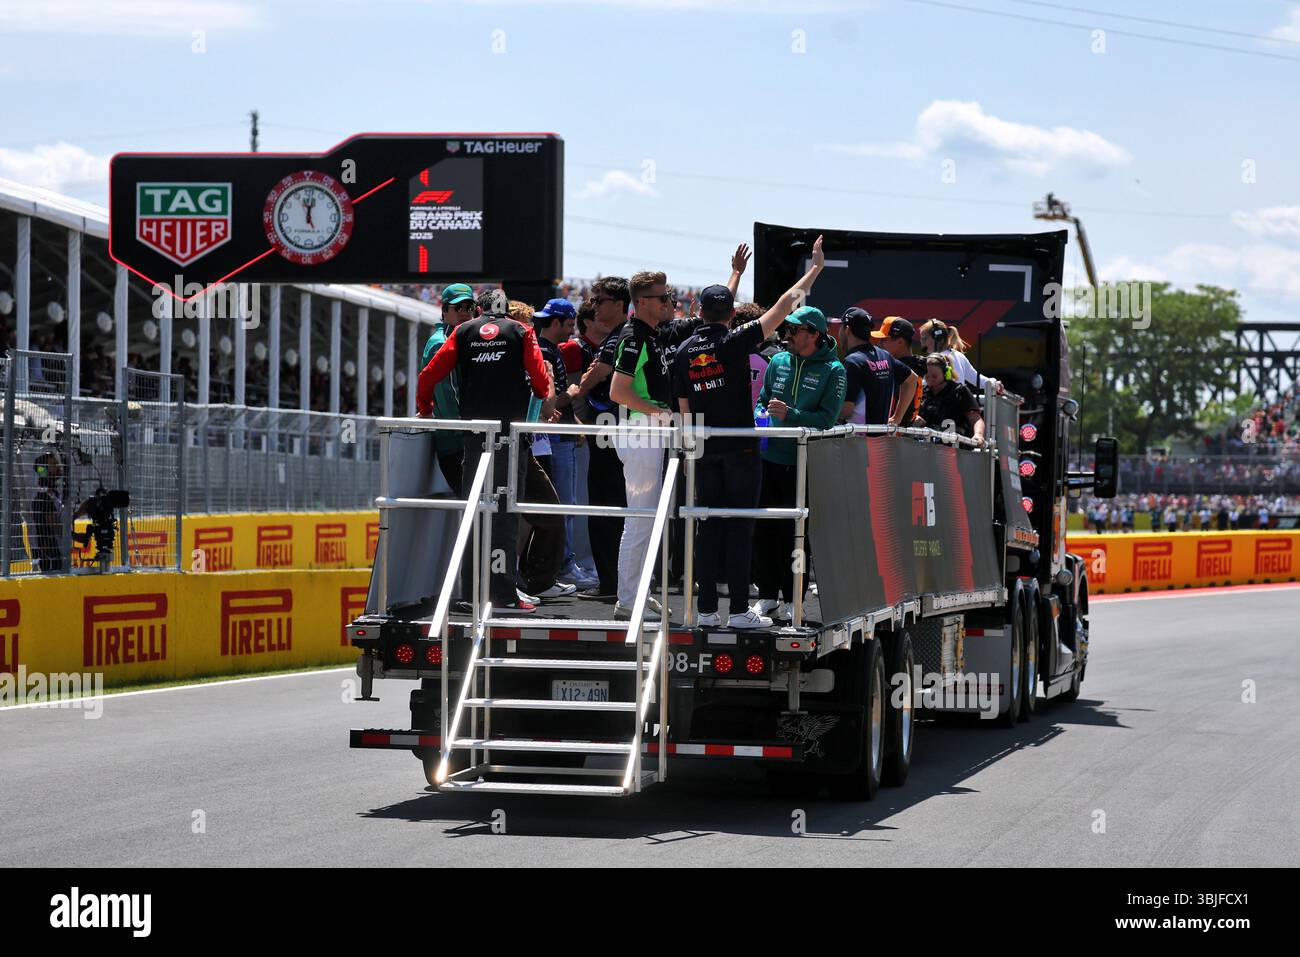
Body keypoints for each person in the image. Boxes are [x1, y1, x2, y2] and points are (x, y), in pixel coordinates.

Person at [674, 237, 827, 629]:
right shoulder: (736, 341)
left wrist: (736, 274)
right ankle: (740, 611)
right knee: (741, 527)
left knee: (707, 528)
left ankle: (706, 612)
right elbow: (782, 305)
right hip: (741, 449)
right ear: (732, 314)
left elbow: (684, 408)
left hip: (703, 449)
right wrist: (814, 270)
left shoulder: (683, 350)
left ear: (699, 310)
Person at [417, 289, 554, 615]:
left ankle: (469, 595)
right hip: (507, 434)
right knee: (504, 515)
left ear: (478, 309)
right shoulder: (521, 330)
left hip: (475, 435)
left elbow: (429, 376)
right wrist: (535, 390)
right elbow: (539, 380)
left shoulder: (463, 331)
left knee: (474, 513)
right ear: (506, 310)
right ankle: (503, 596)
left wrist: (425, 406)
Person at [608, 270, 702, 620]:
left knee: (649, 519)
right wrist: (659, 412)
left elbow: (707, 315)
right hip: (641, 430)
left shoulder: (654, 332)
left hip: (647, 429)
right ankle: (627, 601)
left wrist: (734, 275)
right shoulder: (634, 336)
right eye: (663, 297)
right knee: (641, 519)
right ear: (642, 302)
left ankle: (636, 592)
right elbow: (617, 391)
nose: (669, 301)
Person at [752, 303, 847, 623]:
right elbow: (762, 402)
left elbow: (827, 418)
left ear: (815, 335)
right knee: (765, 530)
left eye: (794, 330)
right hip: (769, 460)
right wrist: (760, 417)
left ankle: (794, 598)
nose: (787, 334)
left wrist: (791, 416)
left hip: (805, 463)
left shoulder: (834, 370)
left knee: (797, 535)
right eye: (787, 329)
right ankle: (766, 596)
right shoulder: (777, 361)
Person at [563, 277, 629, 599]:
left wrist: (574, 391)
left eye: (600, 300)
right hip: (616, 431)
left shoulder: (620, 336)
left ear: (619, 304)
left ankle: (612, 585)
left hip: (611, 432)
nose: (594, 305)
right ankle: (617, 583)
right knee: (612, 510)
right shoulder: (621, 335)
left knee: (606, 510)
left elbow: (595, 375)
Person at [532, 297, 587, 585]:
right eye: (568, 325)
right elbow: (547, 402)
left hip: (559, 435)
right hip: (553, 439)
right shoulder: (544, 351)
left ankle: (562, 565)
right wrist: (573, 394)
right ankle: (562, 566)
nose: (571, 331)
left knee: (566, 503)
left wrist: (573, 419)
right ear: (555, 322)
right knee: (563, 504)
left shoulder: (548, 349)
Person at [421, 283, 478, 491]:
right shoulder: (441, 343)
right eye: (458, 307)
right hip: (457, 441)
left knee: (480, 509)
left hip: (464, 438)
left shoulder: (463, 339)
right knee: (476, 510)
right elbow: (448, 394)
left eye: (469, 307)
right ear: (444, 310)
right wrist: (467, 431)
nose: (464, 313)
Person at [837, 306, 918, 427]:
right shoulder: (885, 355)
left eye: (840, 327)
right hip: (880, 439)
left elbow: (846, 410)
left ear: (847, 329)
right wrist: (897, 418)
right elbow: (912, 379)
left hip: (856, 440)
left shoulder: (853, 361)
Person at [913, 353, 986, 443]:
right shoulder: (922, 392)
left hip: (955, 448)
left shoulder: (960, 391)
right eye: (927, 376)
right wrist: (914, 418)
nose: (930, 379)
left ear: (946, 373)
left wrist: (978, 435)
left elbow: (975, 419)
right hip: (925, 447)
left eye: (935, 376)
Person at [919, 319, 1002, 395]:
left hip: (943, 408)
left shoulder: (934, 360)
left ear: (939, 338)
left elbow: (925, 386)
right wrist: (993, 382)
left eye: (925, 338)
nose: (922, 342)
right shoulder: (959, 355)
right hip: (957, 407)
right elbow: (977, 379)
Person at [871, 316, 926, 424]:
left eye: (884, 340)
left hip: (891, 433)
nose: (879, 344)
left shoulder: (899, 369)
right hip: (903, 433)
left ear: (900, 342)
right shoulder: (916, 364)